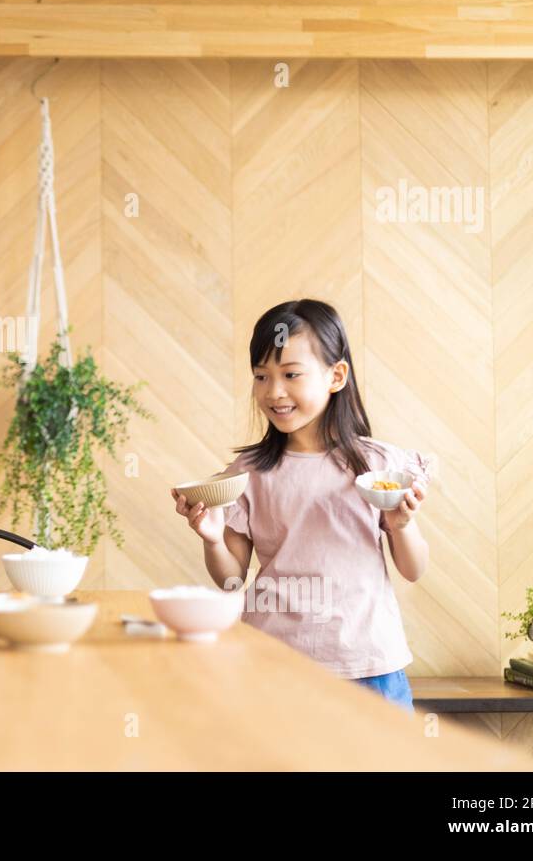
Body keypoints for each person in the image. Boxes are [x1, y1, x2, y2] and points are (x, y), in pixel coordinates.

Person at [171, 299, 432, 713]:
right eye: (261, 376)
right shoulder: (248, 473)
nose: (274, 392)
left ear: (336, 375)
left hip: (367, 665)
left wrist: (401, 525)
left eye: (291, 374)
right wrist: (212, 539)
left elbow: (413, 569)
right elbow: (231, 579)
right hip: (273, 665)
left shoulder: (380, 465)